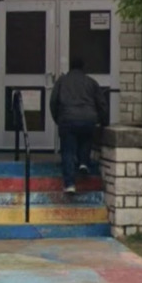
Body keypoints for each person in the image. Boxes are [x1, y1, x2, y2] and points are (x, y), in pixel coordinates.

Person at [49, 56, 105, 193]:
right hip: (88, 118)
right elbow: (102, 103)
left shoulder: (62, 81)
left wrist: (58, 119)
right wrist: (101, 120)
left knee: (68, 151)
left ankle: (70, 184)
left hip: (67, 119)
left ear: (70, 68)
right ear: (82, 68)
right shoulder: (91, 82)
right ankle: (83, 163)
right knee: (86, 139)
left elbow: (53, 102)